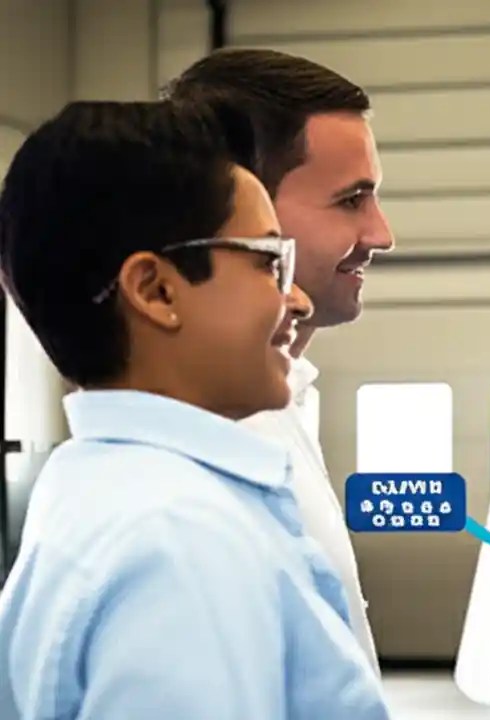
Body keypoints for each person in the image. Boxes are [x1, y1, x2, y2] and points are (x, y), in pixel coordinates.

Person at [0, 101, 389, 718]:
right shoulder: (180, 541)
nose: (297, 300)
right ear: (155, 290)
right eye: (267, 261)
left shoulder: (90, 488)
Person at [161, 49, 395, 673]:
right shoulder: (212, 452)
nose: (382, 233)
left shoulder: (284, 399)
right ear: (246, 209)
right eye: (352, 201)